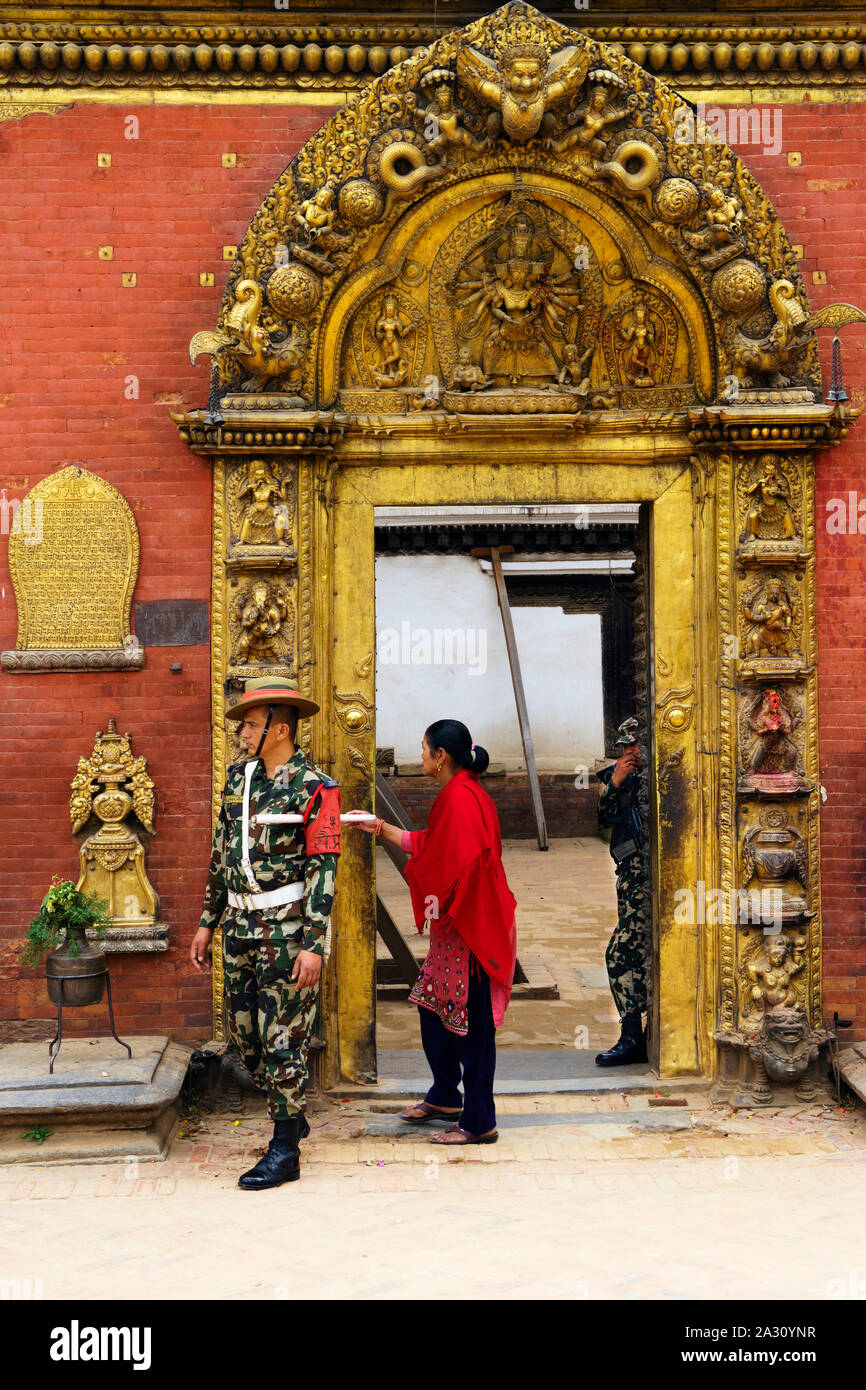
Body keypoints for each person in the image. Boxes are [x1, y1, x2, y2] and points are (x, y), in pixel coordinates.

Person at [189, 677, 341, 1190]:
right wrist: (207, 923)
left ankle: (284, 1151)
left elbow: (324, 869)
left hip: (288, 932)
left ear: (280, 728)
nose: (242, 734)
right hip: (238, 928)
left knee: (283, 1041)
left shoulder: (317, 788)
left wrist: (315, 944)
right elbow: (220, 853)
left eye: (250, 725)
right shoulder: (238, 779)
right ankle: (290, 1116)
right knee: (246, 1038)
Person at [361, 720, 516, 1144]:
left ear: (441, 756)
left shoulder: (461, 798)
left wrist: (428, 884)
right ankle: (447, 1094)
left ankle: (480, 1120)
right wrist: (378, 826)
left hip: (472, 927)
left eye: (424, 749)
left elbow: (457, 866)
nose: (422, 756)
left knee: (475, 1027)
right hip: (455, 927)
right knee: (432, 1009)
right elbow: (437, 845)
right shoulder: (460, 793)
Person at [594, 717, 651, 1067]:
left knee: (619, 955)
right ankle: (635, 1036)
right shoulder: (622, 779)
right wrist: (614, 782)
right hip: (629, 879)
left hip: (649, 884)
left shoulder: (659, 778)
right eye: (624, 747)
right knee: (629, 954)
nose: (629, 752)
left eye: (635, 745)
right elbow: (602, 819)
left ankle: (634, 1037)